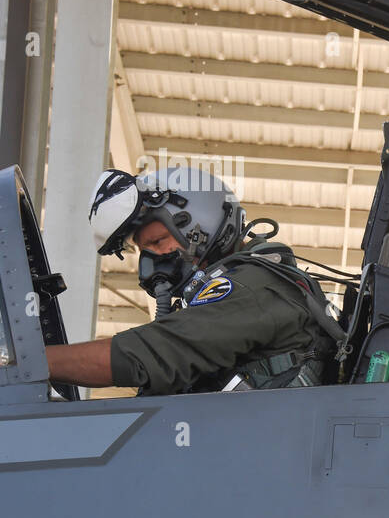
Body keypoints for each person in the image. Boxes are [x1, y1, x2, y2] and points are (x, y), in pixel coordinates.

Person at [44, 167, 342, 395]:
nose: (152, 263)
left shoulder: (253, 285)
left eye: (158, 241)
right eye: (144, 251)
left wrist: (30, 362)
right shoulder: (255, 283)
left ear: (200, 221)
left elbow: (152, 353)